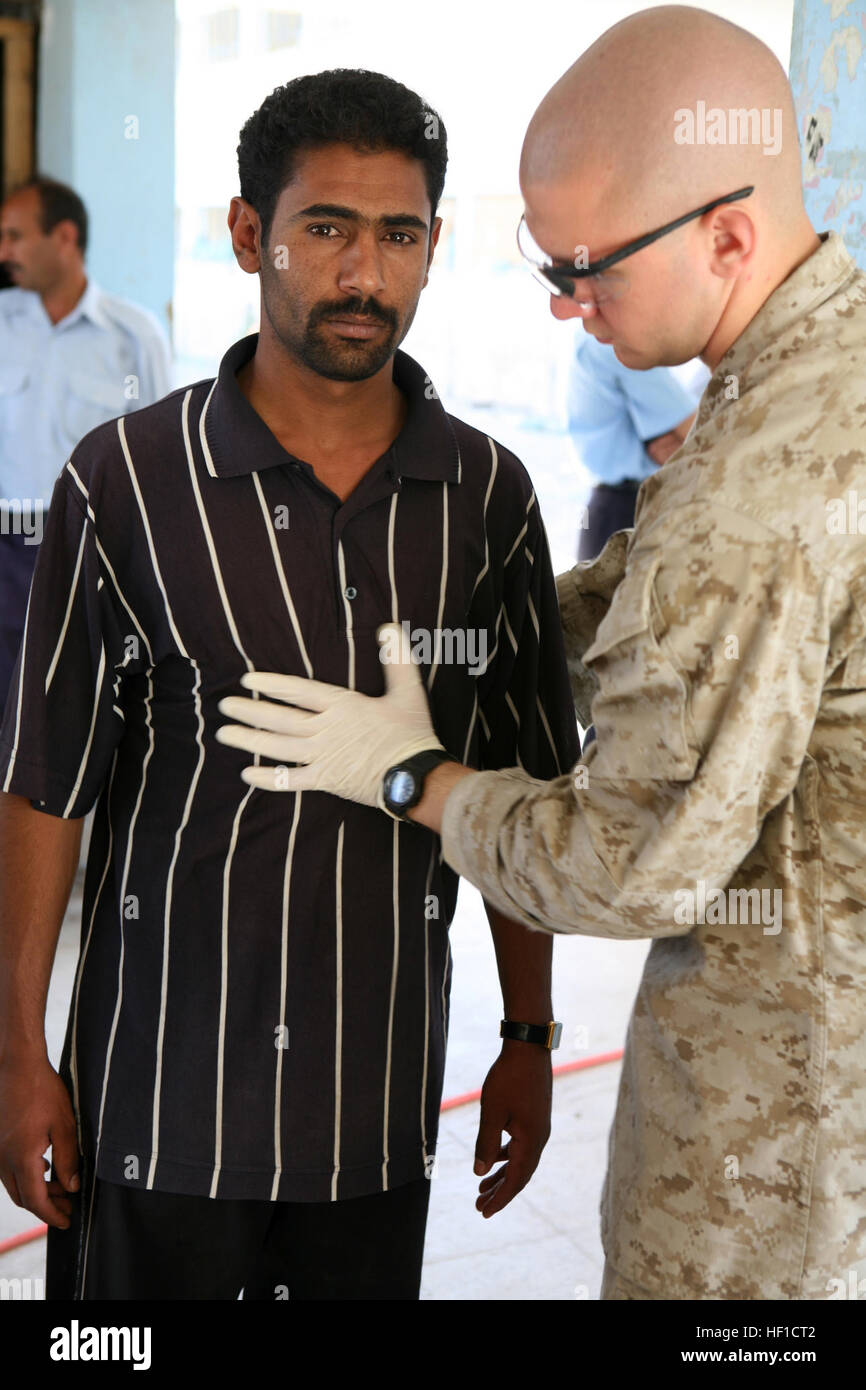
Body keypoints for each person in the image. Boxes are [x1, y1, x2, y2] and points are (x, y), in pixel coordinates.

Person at [216, 9, 866, 1301]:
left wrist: (409, 775)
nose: (568, 306)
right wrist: (487, 628)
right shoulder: (798, 367)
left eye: (589, 270)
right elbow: (653, 594)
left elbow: (623, 865)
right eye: (544, 265)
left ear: (725, 234)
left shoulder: (754, 492)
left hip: (779, 1118)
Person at [0, 70, 578, 1301]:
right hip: (154, 1105)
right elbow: (45, 782)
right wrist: (14, 1052)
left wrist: (527, 1035)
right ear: (250, 234)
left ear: (433, 246)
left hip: (371, 1120)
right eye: (326, 228)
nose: (365, 273)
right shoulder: (127, 481)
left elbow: (524, 794)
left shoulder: (487, 499)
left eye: (399, 234)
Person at [0, 177, 171, 711]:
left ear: (65, 238)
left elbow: (162, 461)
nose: (4, 252)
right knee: (9, 697)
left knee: (79, 698)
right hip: (6, 541)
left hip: (92, 548)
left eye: (15, 236)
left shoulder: (133, 335)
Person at [568, 329, 706, 558]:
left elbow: (689, 436)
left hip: (608, 509)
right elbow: (701, 434)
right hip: (627, 510)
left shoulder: (591, 342)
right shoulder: (616, 345)